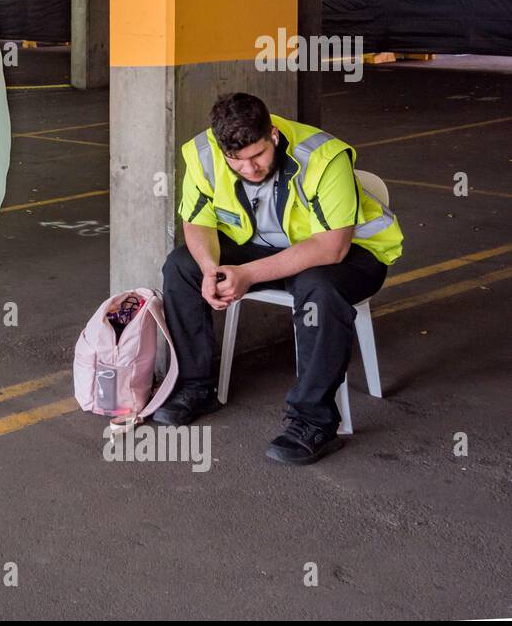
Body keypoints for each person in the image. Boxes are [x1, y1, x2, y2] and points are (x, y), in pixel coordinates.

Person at [154, 92, 403, 465]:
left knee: (318, 289)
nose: (249, 169)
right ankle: (194, 386)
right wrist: (210, 268)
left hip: (352, 255)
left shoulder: (322, 157)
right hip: (266, 246)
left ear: (272, 134)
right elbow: (197, 221)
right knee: (181, 266)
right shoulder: (204, 154)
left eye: (257, 156)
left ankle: (314, 420)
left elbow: (332, 248)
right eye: (236, 162)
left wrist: (248, 274)